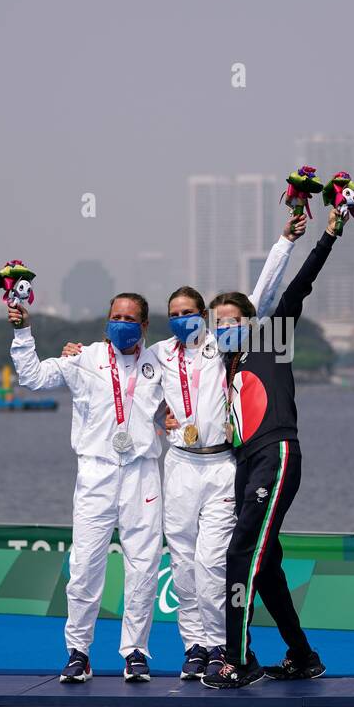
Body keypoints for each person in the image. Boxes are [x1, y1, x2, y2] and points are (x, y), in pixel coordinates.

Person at [63, 216, 308, 681]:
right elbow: (127, 379)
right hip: (177, 466)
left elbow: (261, 295)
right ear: (167, 320)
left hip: (220, 466)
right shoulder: (156, 354)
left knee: (213, 561)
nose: (182, 319)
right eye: (174, 313)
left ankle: (220, 644)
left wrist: (283, 242)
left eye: (189, 312)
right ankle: (194, 645)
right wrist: (81, 352)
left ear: (203, 315)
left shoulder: (221, 343)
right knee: (182, 560)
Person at [202, 207, 351, 689]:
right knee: (264, 567)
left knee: (240, 555)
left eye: (231, 320)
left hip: (276, 455)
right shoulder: (225, 366)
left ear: (250, 320)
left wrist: (327, 234)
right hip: (247, 464)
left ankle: (238, 661)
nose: (224, 327)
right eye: (217, 322)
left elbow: (296, 287)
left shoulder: (271, 340)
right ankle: (303, 657)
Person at [7, 293, 164, 683]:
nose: (122, 323)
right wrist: (23, 331)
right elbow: (33, 378)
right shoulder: (85, 358)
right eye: (116, 316)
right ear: (106, 320)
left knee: (143, 569)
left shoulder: (160, 362)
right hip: (96, 473)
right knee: (84, 567)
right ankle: (78, 652)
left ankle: (136, 653)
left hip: (142, 473)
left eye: (130, 318)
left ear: (144, 325)